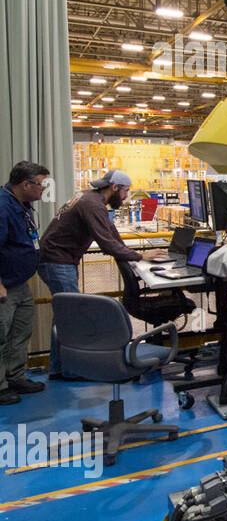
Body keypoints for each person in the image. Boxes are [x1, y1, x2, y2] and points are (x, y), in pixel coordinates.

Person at [38, 169, 166, 379]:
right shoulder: (92, 204)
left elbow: (112, 234)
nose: (126, 197)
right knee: (70, 315)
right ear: (114, 187)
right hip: (56, 261)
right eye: (125, 191)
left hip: (59, 259)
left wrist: (134, 256)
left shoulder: (91, 199)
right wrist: (140, 257)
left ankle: (60, 367)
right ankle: (67, 370)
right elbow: (106, 244)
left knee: (64, 315)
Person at [0, 161, 51, 404]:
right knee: (2, 334)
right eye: (41, 184)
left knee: (20, 333)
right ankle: (1, 386)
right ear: (25, 184)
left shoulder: (24, 205)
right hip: (4, 285)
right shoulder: (2, 206)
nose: (43, 189)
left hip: (19, 283)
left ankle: (15, 376)